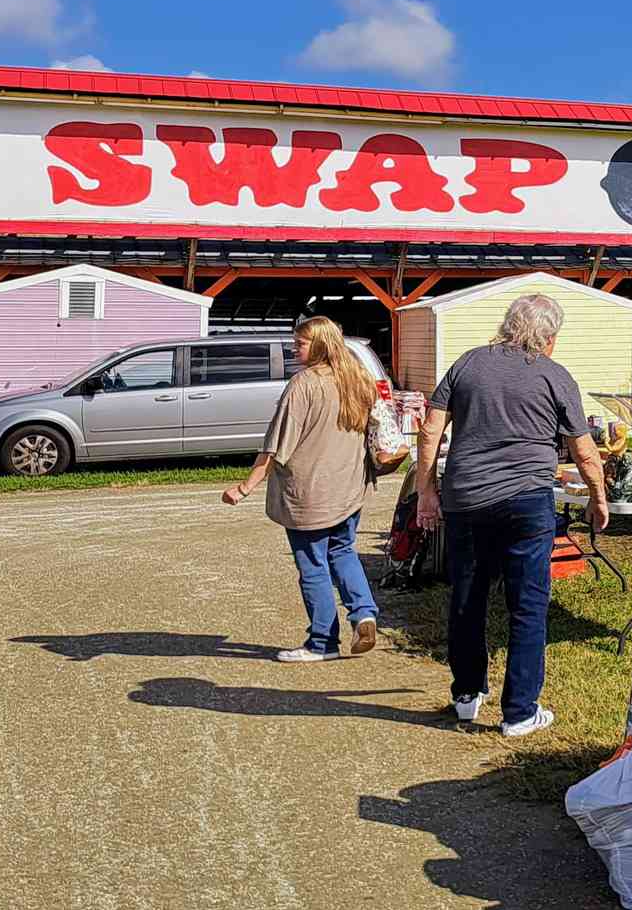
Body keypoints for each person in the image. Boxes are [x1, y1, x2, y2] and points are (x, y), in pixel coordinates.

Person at [415, 293, 608, 737]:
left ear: (508, 324)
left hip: (466, 498)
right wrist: (598, 496)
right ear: (549, 336)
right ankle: (520, 712)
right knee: (528, 604)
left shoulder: (468, 363)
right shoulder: (555, 375)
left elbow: (430, 430)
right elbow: (583, 450)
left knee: (468, 597)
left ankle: (467, 694)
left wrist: (427, 491)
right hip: (526, 500)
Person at [222, 316, 381, 662]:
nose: (294, 350)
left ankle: (322, 643)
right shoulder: (359, 379)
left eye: (300, 344)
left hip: (310, 494)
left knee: (312, 565)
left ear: (320, 344)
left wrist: (245, 487)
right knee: (343, 551)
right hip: (350, 489)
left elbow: (277, 445)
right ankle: (364, 614)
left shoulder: (304, 384)